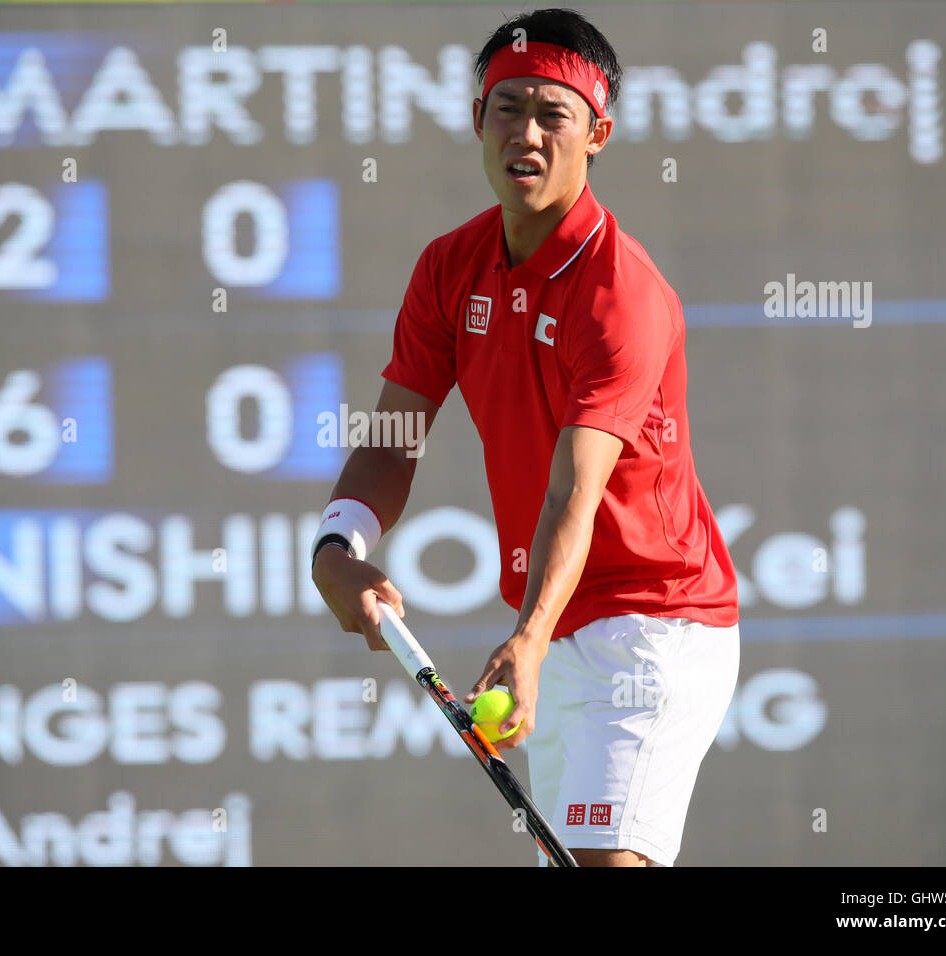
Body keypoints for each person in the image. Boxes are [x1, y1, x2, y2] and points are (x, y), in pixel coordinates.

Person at [310, 7, 739, 868]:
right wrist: (338, 541)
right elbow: (395, 435)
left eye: (555, 114)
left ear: (598, 135)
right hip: (554, 631)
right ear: (478, 121)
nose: (528, 134)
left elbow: (572, 492)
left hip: (651, 628)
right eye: (508, 108)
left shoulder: (622, 295)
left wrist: (530, 639)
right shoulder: (447, 266)